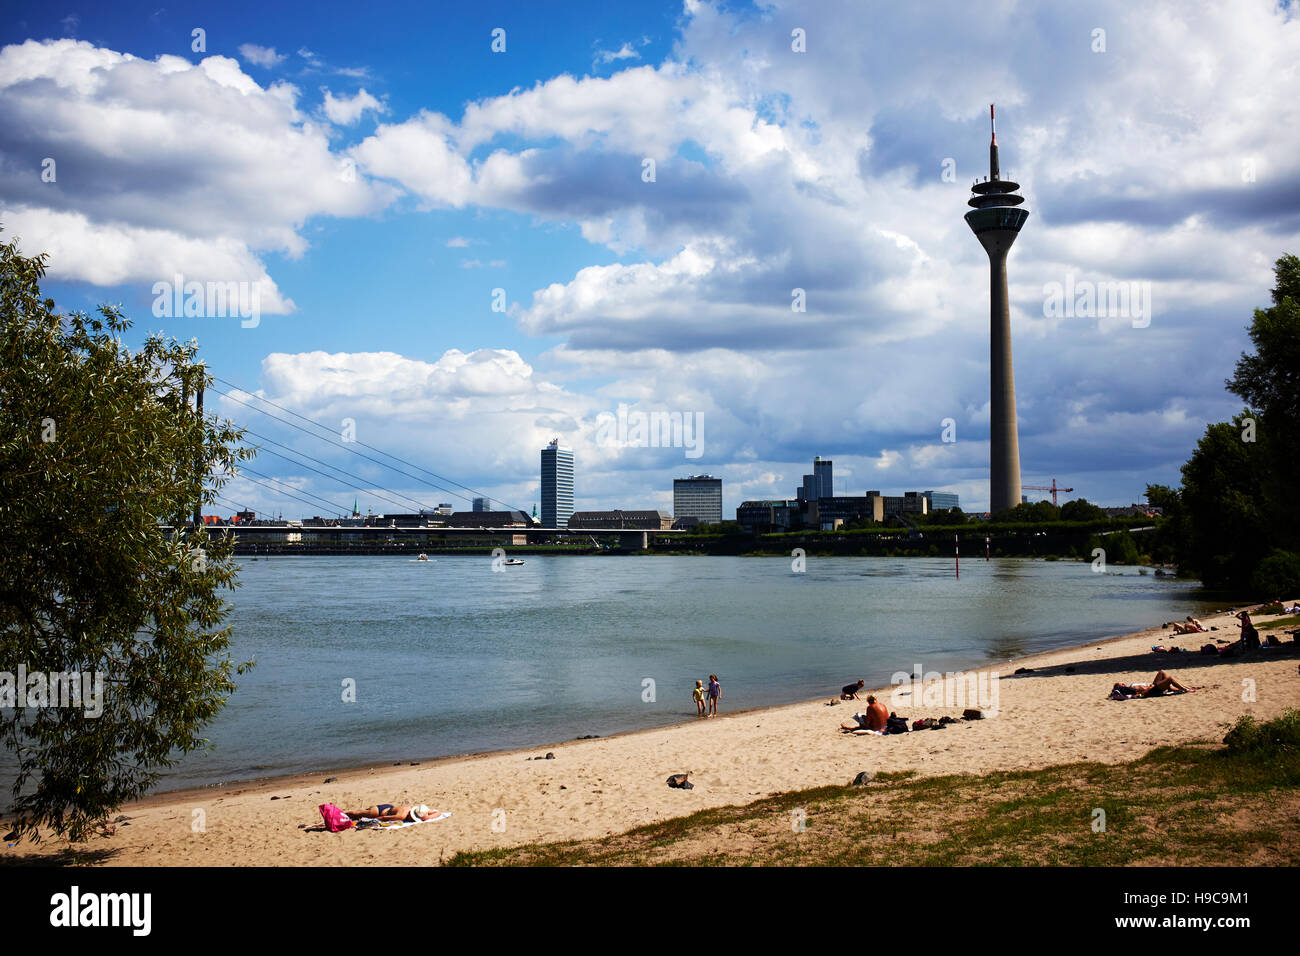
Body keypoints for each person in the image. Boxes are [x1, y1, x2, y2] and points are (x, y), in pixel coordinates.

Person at [1111, 671, 1191, 699]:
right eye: (1121, 683)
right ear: (1120, 686)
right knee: (1169, 679)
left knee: (1162, 672)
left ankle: (1182, 687)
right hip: (1151, 691)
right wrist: (1149, 688)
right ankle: (1185, 689)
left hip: (1152, 686)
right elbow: (1141, 694)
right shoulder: (1130, 689)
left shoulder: (1131, 685)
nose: (1123, 683)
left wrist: (1151, 685)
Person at [344, 803, 442, 823]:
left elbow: (438, 813)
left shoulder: (421, 810)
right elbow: (383, 818)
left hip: (389, 807)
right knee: (357, 814)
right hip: (378, 812)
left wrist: (428, 817)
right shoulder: (401, 816)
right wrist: (367, 821)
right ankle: (341, 813)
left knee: (359, 813)